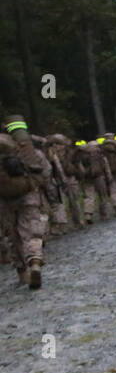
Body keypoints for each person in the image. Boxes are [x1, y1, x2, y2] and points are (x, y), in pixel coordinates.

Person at [0, 114, 52, 289]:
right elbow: (46, 172)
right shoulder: (31, 151)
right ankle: (35, 261)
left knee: (12, 235)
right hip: (29, 195)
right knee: (32, 232)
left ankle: (22, 274)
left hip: (4, 200)